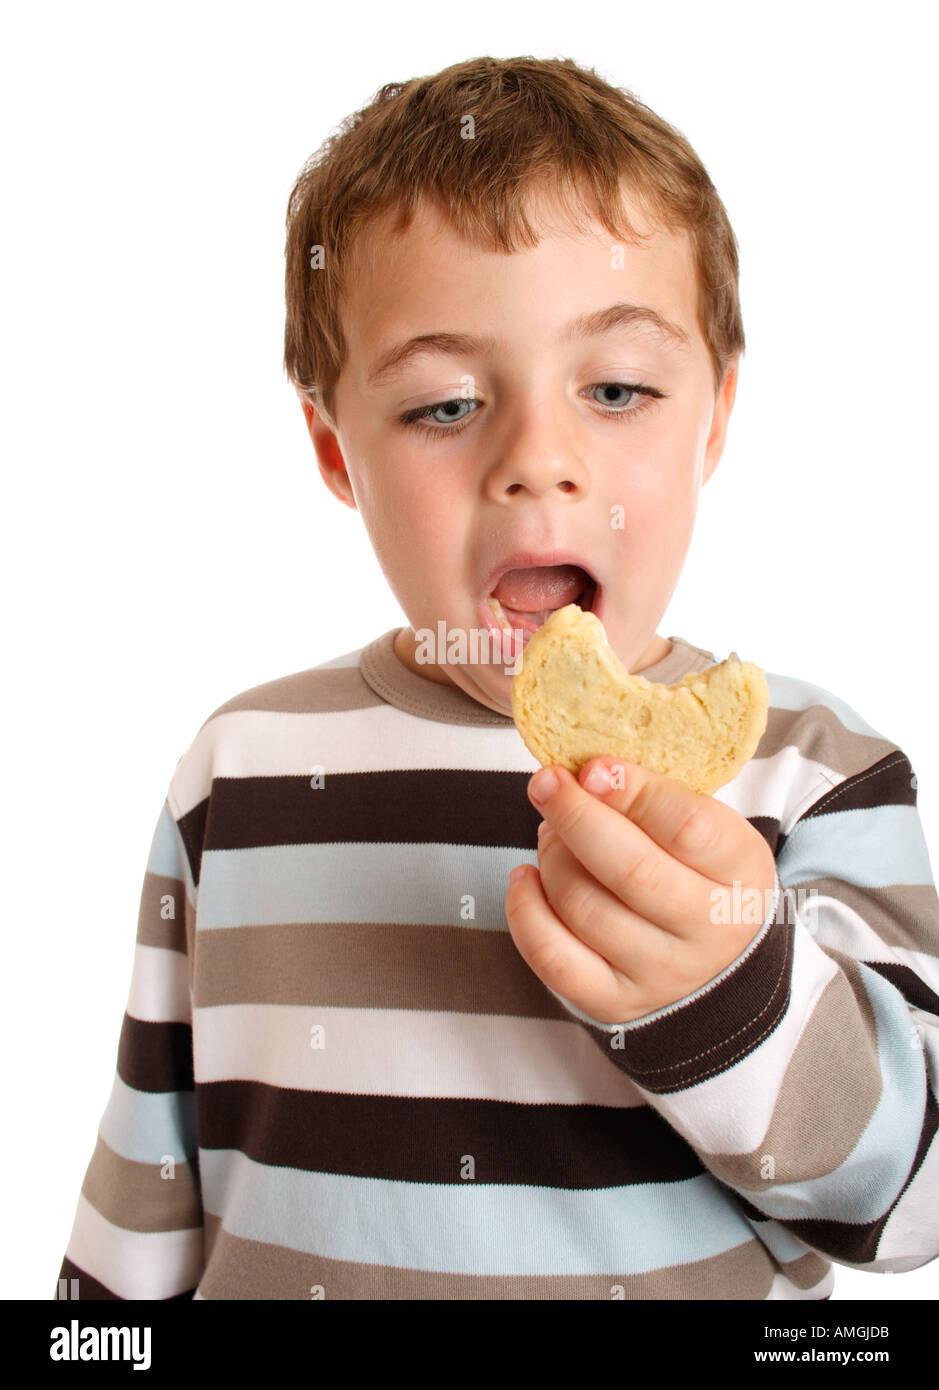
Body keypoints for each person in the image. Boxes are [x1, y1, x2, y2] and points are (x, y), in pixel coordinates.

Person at [55, 54, 939, 1301]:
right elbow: (143, 1189)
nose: (539, 460)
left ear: (716, 419)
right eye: (446, 404)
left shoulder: (813, 771)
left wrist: (731, 992)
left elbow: (913, 1195)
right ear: (334, 448)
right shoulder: (241, 769)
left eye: (619, 390)